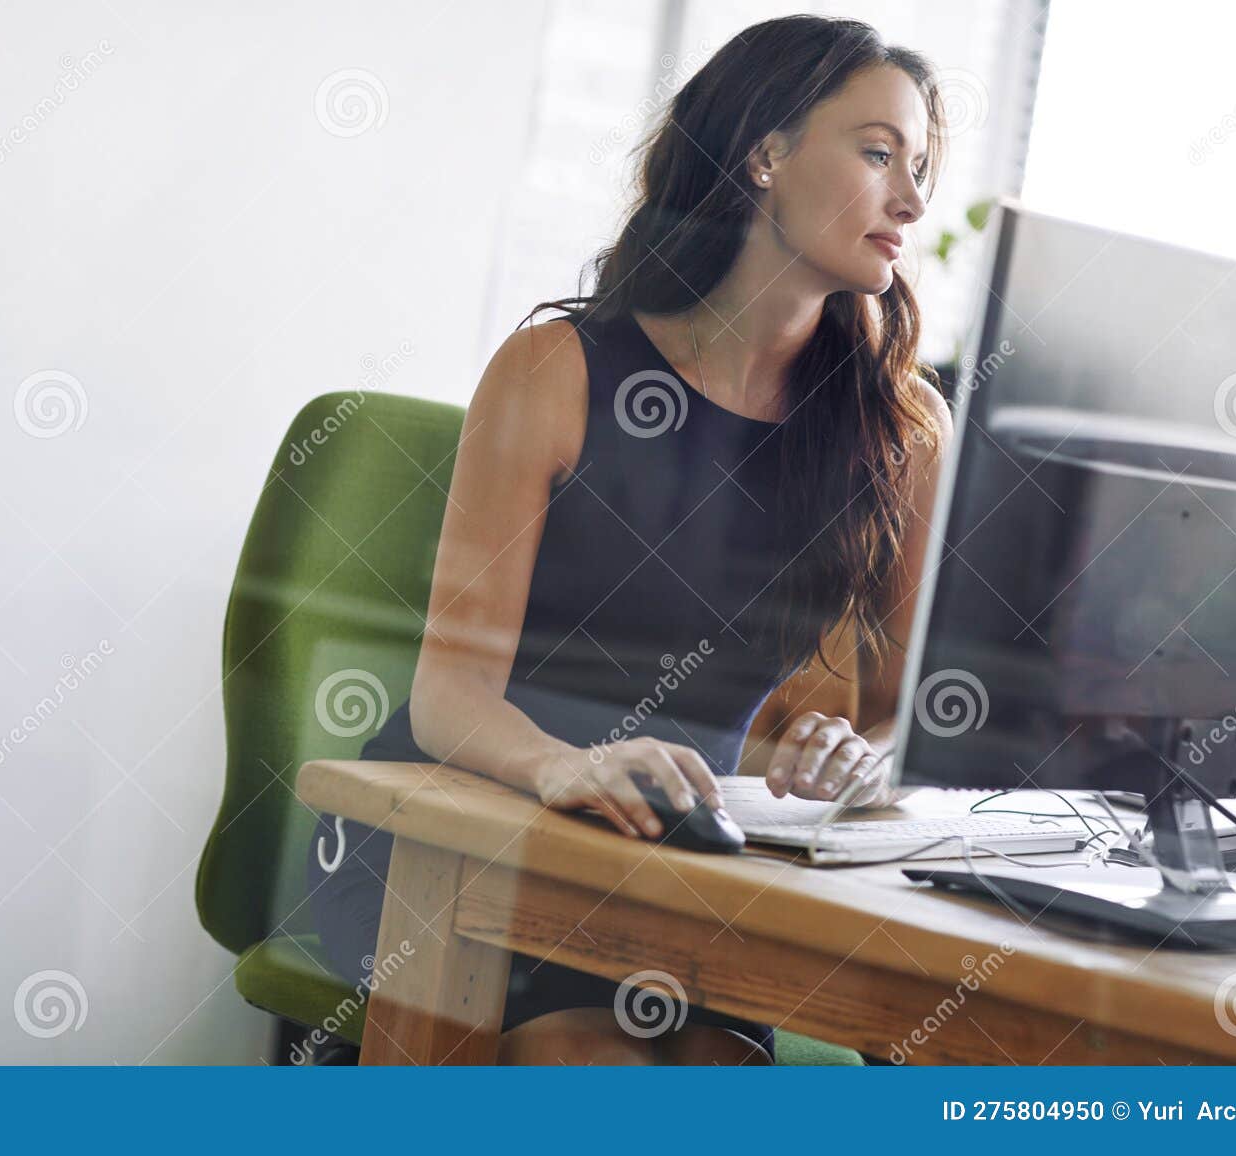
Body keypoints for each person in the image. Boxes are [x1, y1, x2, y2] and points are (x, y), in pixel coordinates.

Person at [306, 13, 955, 1066]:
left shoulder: (900, 430)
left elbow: (911, 710)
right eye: (879, 153)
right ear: (765, 154)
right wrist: (566, 765)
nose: (913, 201)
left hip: (678, 865)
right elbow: (450, 695)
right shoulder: (556, 370)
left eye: (919, 167)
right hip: (466, 828)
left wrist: (852, 755)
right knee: (598, 1068)